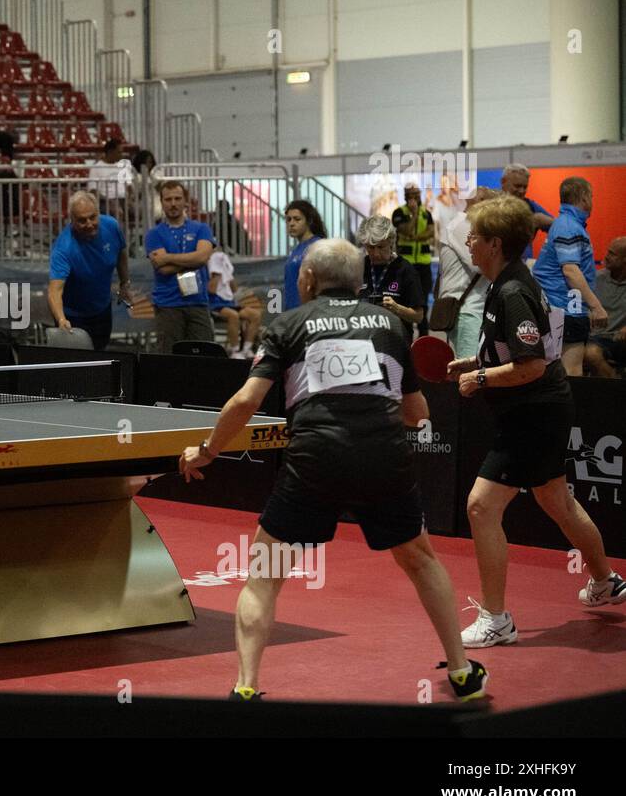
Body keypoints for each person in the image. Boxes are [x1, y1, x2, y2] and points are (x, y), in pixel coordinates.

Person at [179, 238, 487, 701]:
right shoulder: (388, 326)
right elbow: (417, 413)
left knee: (264, 574)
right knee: (421, 560)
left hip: (314, 460)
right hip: (383, 459)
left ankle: (245, 688)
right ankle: (462, 671)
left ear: (307, 280)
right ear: (361, 281)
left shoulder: (288, 325)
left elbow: (246, 401)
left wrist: (206, 450)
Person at [447, 193, 625, 647]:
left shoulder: (511, 291)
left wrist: (481, 378)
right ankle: (605, 581)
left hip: (533, 414)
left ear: (495, 243)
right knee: (557, 502)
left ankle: (496, 618)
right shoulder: (506, 283)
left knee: (481, 506)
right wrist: (474, 361)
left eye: (475, 235)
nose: (468, 241)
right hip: (542, 408)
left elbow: (529, 366)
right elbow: (531, 350)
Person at [531, 176, 607, 376]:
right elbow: (570, 271)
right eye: (591, 196)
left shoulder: (566, 224)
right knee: (571, 371)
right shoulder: (569, 227)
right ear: (584, 197)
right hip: (565, 311)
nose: (592, 201)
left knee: (559, 371)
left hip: (563, 308)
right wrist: (596, 307)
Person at [48, 191, 131, 350]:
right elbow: (54, 291)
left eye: (92, 217)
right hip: (73, 317)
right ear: (71, 220)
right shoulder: (63, 248)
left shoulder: (111, 226)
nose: (89, 224)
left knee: (99, 357)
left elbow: (121, 254)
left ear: (98, 214)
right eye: (81, 220)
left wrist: (124, 283)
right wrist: (61, 319)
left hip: (102, 310)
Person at [145, 180, 215, 353]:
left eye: (177, 198)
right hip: (168, 304)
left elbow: (203, 257)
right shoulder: (153, 234)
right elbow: (163, 269)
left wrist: (167, 257)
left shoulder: (201, 228)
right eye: (168, 199)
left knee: (205, 356)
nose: (173, 203)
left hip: (198, 302)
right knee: (170, 357)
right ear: (161, 202)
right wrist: (193, 260)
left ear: (186, 201)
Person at [434, 188, 490, 359]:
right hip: (467, 311)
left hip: (471, 309)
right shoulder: (463, 225)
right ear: (473, 202)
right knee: (469, 371)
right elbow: (481, 265)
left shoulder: (470, 226)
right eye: (487, 202)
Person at [357, 214, 424, 343]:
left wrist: (397, 308)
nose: (376, 253)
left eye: (381, 247)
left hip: (396, 342)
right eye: (371, 247)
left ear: (391, 243)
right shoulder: (358, 267)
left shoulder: (405, 270)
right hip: (364, 343)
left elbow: (419, 316)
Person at [391, 183, 434, 336]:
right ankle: (405, 336)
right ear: (406, 196)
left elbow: (430, 233)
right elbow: (406, 230)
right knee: (404, 301)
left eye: (417, 194)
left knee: (423, 302)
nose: (415, 197)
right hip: (406, 264)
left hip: (423, 263)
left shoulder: (426, 213)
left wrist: (415, 236)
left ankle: (424, 337)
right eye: (411, 194)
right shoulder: (399, 212)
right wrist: (414, 214)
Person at [208, 243, 263, 358]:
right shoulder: (206, 267)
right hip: (214, 303)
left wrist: (227, 273)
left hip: (229, 303)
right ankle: (235, 351)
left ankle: (246, 349)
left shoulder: (223, 265)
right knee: (233, 316)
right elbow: (212, 290)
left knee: (255, 315)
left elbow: (234, 289)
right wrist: (217, 274)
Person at [585, 236, 626, 378]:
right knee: (591, 353)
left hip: (622, 340)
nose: (606, 257)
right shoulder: (596, 278)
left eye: (612, 254)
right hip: (597, 338)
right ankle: (615, 386)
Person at [498, 164, 553, 263]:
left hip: (525, 267)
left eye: (525, 187)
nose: (522, 191)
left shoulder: (530, 206)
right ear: (503, 182)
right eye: (517, 186)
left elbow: (560, 227)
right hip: (499, 268)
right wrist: (529, 222)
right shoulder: (489, 206)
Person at [282, 200, 325, 310]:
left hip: (308, 313)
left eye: (297, 219)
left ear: (309, 221)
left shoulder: (318, 246)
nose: (291, 223)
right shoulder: (296, 249)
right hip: (292, 313)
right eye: (288, 219)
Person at [88, 139, 133, 222]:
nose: (121, 155)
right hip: (105, 201)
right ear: (110, 152)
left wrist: (129, 199)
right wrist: (109, 202)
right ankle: (118, 234)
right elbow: (93, 191)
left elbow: (129, 186)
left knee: (141, 209)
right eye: (119, 152)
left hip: (123, 199)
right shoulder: (96, 168)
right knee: (117, 212)